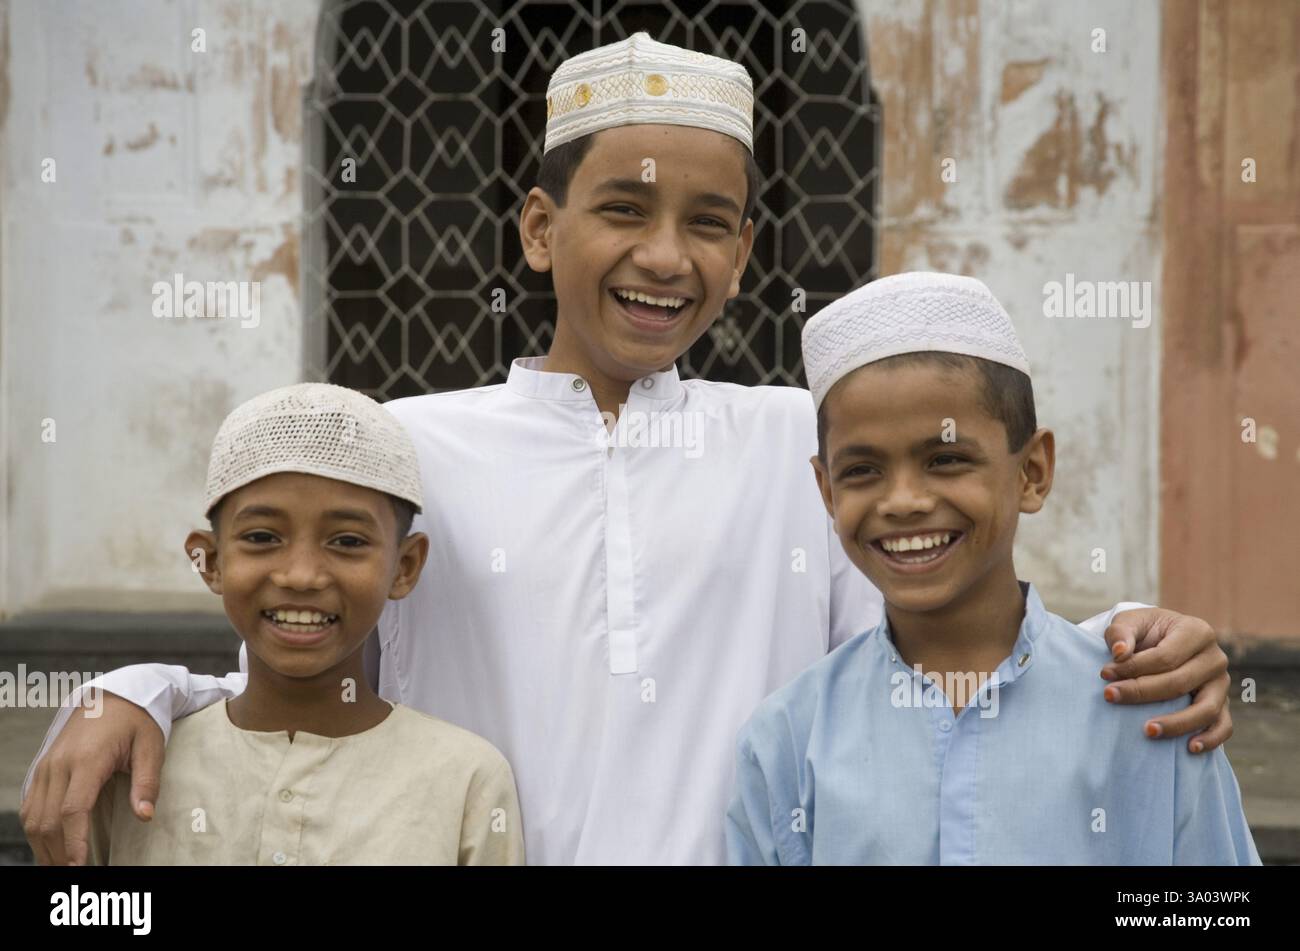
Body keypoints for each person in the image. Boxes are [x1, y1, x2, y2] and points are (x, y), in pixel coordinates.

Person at [23, 34, 1232, 867]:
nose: (666, 256)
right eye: (624, 211)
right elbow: (294, 659)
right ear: (542, 228)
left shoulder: (802, 449)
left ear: (744, 253)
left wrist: (1132, 639)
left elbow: (945, 644)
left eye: (706, 224)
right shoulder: (414, 448)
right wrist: (128, 687)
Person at [726, 273, 1259, 865]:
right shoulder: (790, 741)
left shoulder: (1148, 709)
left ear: (1032, 471)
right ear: (826, 492)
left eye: (946, 459)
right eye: (862, 470)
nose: (903, 500)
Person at [83, 383, 523, 865]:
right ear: (208, 560)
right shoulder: (134, 768)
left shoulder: (464, 780)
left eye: (348, 542)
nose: (301, 576)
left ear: (404, 567)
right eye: (262, 536)